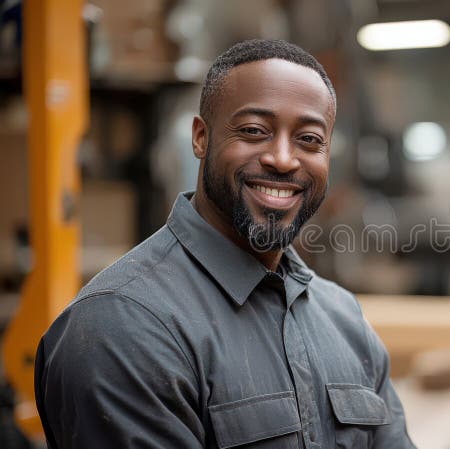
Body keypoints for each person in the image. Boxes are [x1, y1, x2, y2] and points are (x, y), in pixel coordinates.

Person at [34, 39, 416, 449]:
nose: (284, 159)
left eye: (309, 139)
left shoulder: (343, 320)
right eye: (254, 131)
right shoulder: (120, 328)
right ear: (200, 138)